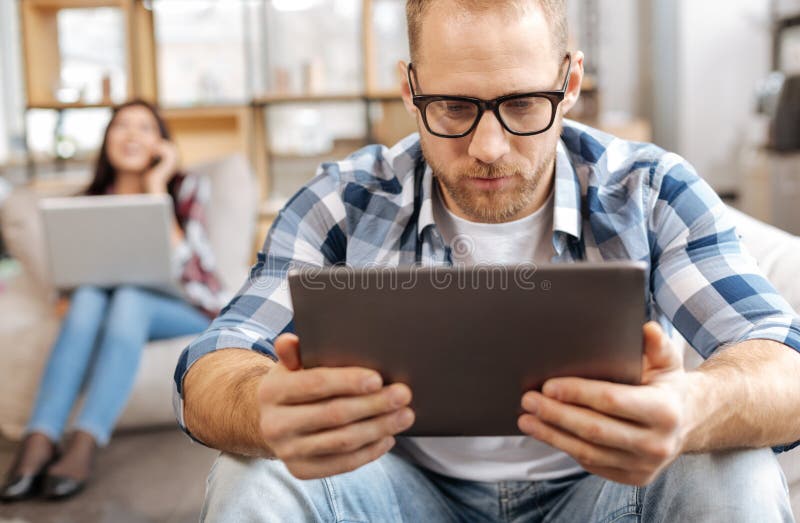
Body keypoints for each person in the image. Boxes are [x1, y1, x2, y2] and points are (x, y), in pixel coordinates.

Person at [177, 1, 800, 521]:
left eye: (524, 104)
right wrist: (263, 407)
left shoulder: (648, 189)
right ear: (410, 89)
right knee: (252, 475)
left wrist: (692, 408)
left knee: (734, 465)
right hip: (401, 492)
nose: (488, 147)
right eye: (453, 107)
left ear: (571, 83)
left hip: (608, 493)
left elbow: (784, 361)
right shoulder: (344, 200)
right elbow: (215, 358)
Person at [0, 100, 226, 502]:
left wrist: (158, 190)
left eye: (144, 127)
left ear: (161, 142)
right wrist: (68, 295)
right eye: (122, 126)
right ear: (106, 139)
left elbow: (194, 268)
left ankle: (84, 442)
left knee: (129, 299)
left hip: (187, 308)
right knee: (90, 296)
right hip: (109, 305)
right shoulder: (88, 199)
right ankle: (40, 437)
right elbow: (76, 272)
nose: (132, 136)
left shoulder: (186, 187)